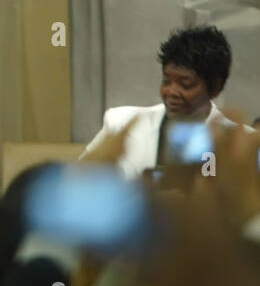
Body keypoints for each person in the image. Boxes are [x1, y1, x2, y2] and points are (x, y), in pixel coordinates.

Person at [80, 25, 243, 178]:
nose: (171, 92)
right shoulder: (121, 123)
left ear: (216, 88)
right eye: (166, 81)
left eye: (186, 85)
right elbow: (81, 182)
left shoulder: (241, 143)